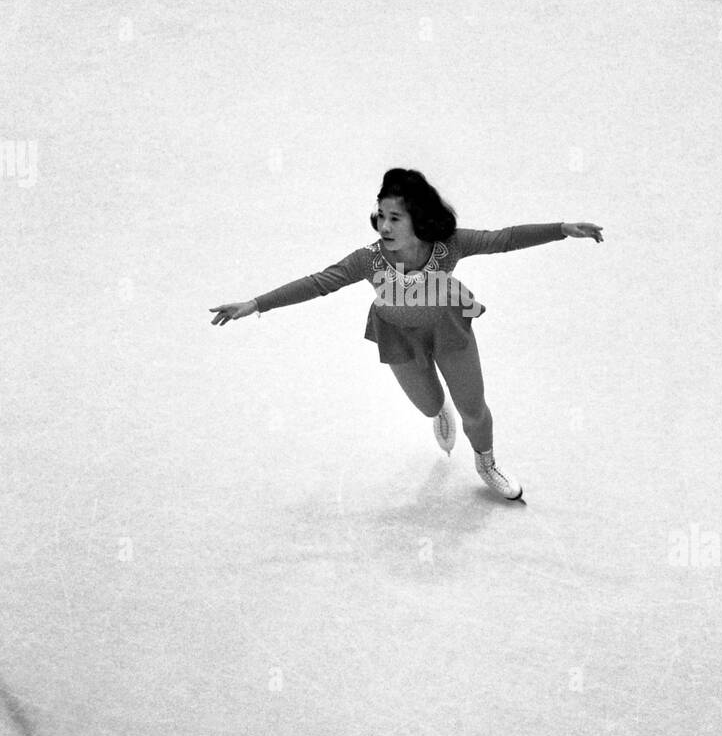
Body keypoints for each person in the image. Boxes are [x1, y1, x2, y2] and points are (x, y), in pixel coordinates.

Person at [210, 168, 603, 500]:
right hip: (399, 337)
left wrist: (562, 229)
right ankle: (438, 411)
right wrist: (256, 304)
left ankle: (487, 463)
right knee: (430, 405)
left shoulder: (449, 246)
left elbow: (502, 239)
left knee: (474, 407)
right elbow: (319, 282)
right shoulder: (369, 259)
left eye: (395, 218)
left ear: (418, 217)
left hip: (449, 327)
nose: (384, 225)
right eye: (380, 215)